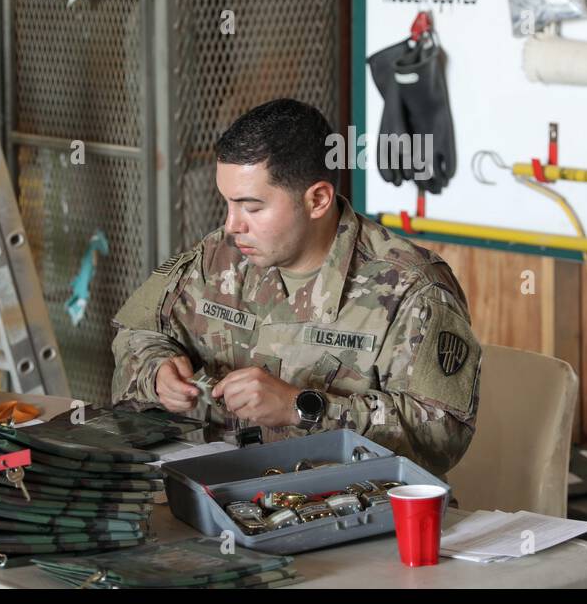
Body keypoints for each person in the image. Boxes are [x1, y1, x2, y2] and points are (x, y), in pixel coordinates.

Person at [111, 98, 479, 476]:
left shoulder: (409, 288)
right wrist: (155, 372)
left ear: (317, 199)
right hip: (222, 495)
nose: (232, 225)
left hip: (351, 509)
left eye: (251, 207)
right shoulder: (219, 258)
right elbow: (136, 332)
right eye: (228, 203)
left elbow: (441, 436)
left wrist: (301, 407)